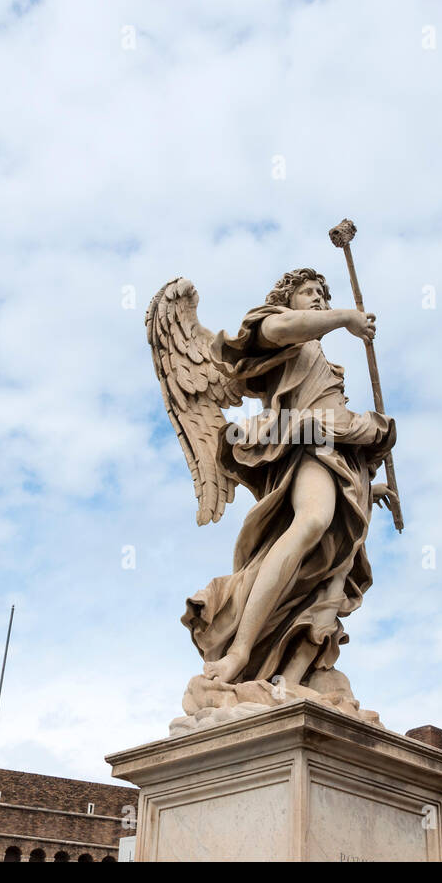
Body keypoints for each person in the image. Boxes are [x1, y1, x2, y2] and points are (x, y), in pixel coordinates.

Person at [182, 267, 397, 692]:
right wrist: (344, 317)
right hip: (307, 439)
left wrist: (367, 490)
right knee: (312, 521)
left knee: (329, 574)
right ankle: (240, 650)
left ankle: (291, 679)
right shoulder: (271, 324)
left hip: (341, 458)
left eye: (322, 293)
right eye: (309, 292)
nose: (318, 298)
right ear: (288, 298)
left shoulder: (319, 356)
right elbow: (285, 329)